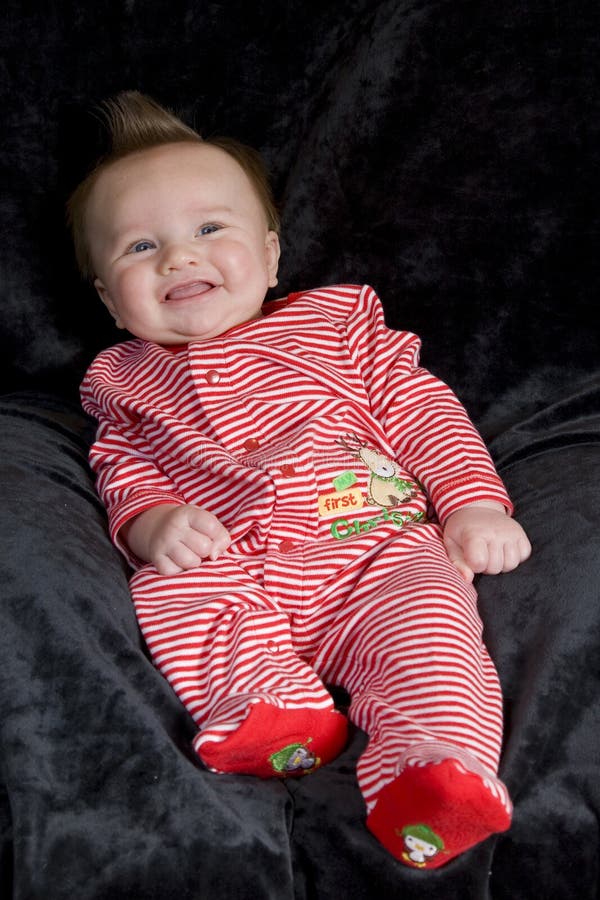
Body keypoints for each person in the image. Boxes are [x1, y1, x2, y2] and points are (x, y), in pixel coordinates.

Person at [71, 91, 531, 869]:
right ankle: (271, 710)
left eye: (210, 229)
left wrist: (473, 502)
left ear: (274, 255)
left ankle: (432, 767)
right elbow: (121, 467)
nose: (178, 258)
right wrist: (151, 524)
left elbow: (422, 411)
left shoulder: (336, 326)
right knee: (169, 586)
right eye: (139, 248)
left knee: (430, 634)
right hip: (236, 558)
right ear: (110, 302)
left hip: (371, 549)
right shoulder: (123, 380)